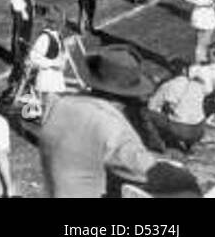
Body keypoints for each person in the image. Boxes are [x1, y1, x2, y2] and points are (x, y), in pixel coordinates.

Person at [38, 45, 200, 197]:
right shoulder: (110, 125)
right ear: (125, 97)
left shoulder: (60, 106)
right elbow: (141, 170)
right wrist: (180, 174)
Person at [141, 61, 209, 155]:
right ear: (185, 71)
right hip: (200, 130)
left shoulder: (168, 85)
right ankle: (189, 146)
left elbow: (152, 106)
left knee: (145, 113)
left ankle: (157, 146)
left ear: (170, 72)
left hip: (181, 130)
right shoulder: (199, 84)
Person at [8, 0, 35, 91]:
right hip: (21, 8)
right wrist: (23, 11)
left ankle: (21, 58)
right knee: (20, 34)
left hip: (27, 5)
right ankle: (17, 60)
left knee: (26, 34)